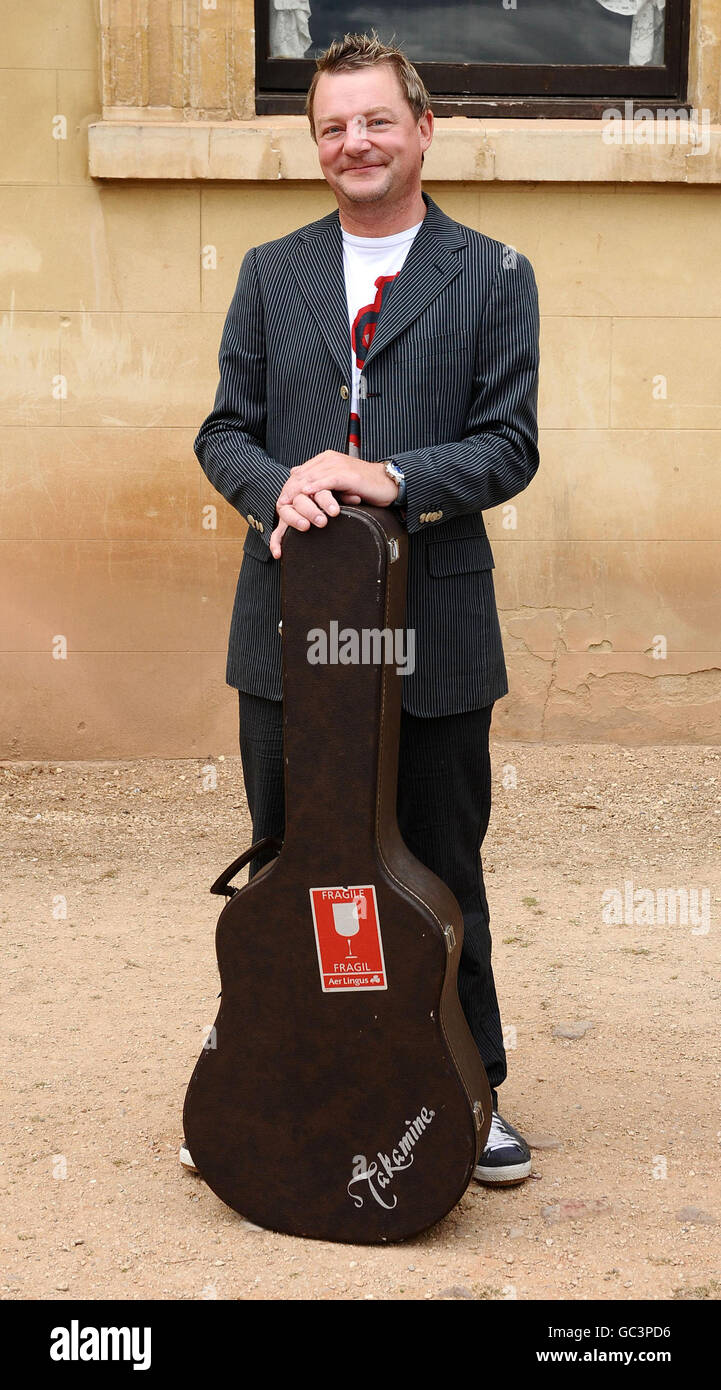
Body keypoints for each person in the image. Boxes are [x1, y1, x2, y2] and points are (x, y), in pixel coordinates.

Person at [183, 32, 540, 1187]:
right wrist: (273, 478)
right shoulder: (269, 270)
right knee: (292, 854)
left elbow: (509, 445)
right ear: (316, 144)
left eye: (376, 120)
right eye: (334, 126)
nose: (356, 143)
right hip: (289, 627)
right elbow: (222, 430)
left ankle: (468, 1083)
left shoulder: (492, 273)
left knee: (438, 860)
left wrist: (391, 475)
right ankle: (264, 1060)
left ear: (422, 127)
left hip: (430, 622)